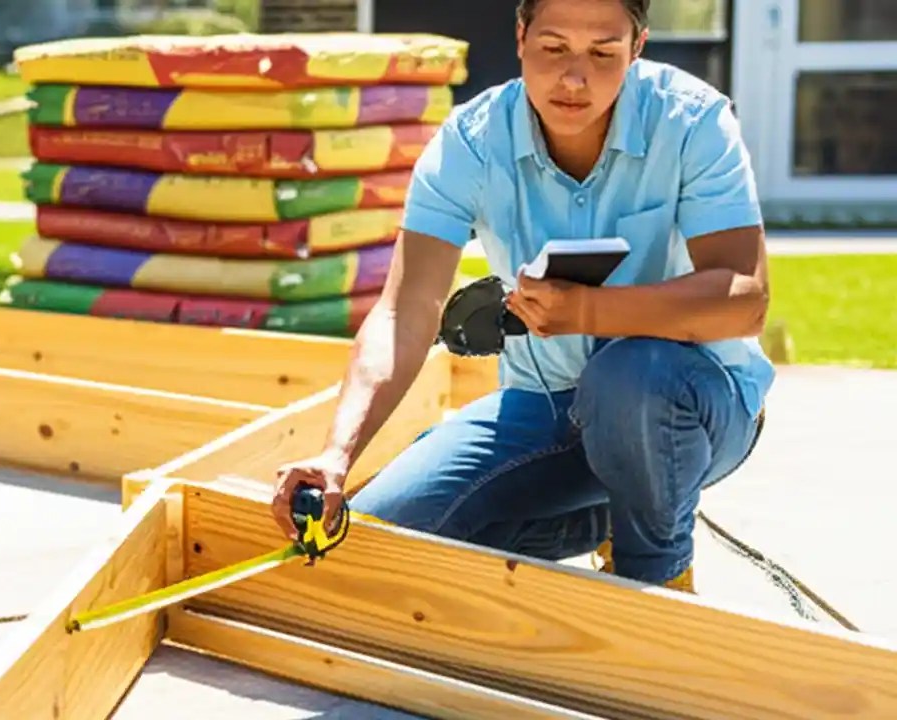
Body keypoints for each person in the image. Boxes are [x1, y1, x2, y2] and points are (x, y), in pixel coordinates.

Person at [268, 0, 773, 592]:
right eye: (554, 48)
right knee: (386, 540)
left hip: (694, 404)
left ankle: (656, 575)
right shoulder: (473, 141)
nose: (574, 78)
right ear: (520, 38)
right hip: (545, 407)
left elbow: (744, 299)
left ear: (637, 47)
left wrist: (586, 311)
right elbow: (406, 309)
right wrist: (336, 454)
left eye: (603, 54)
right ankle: (611, 511)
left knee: (631, 376)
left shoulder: (692, 122)